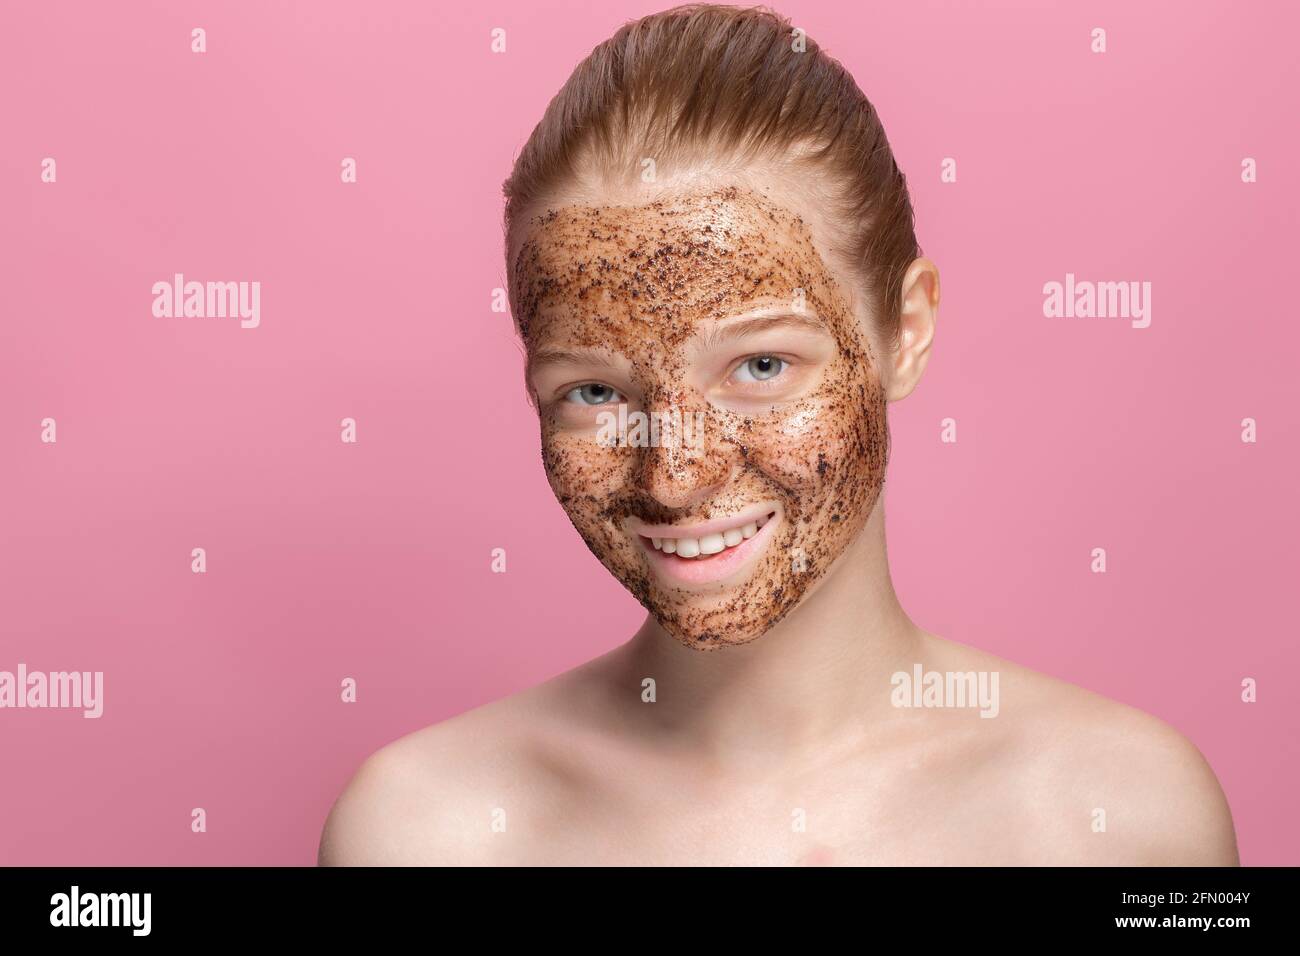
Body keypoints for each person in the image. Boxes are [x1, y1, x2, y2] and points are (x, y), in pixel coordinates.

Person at [319, 4, 1237, 866]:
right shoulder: (427, 832)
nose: (675, 476)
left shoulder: (1117, 820)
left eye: (761, 366)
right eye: (594, 389)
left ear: (904, 331)